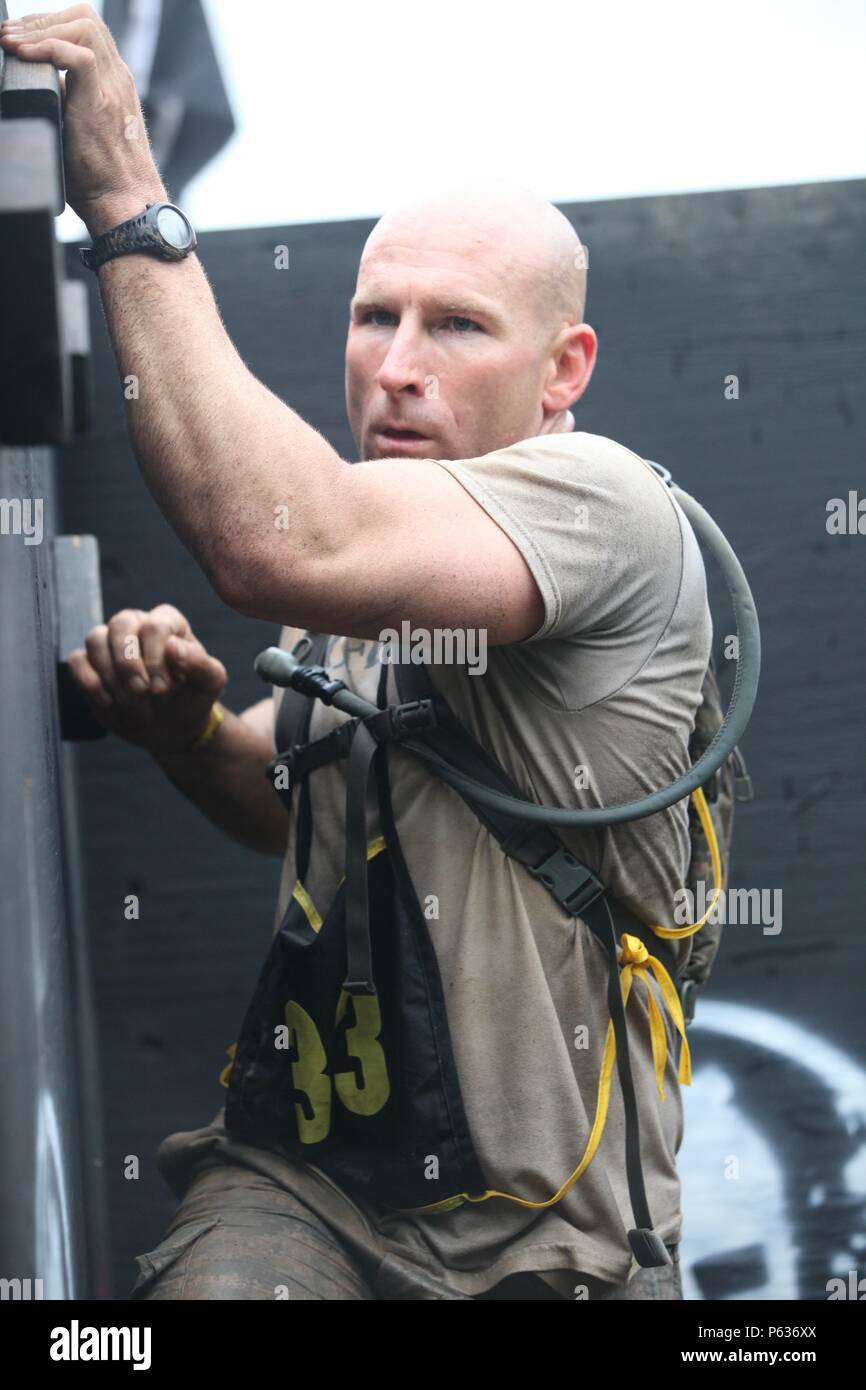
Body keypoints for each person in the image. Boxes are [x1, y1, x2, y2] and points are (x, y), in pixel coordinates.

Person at [4, 5, 707, 1300]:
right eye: (372, 315)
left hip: (551, 1244)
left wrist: (122, 190)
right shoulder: (364, 571)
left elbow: (275, 541)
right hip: (305, 1188)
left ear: (565, 369)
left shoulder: (605, 506)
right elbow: (284, 802)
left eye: (455, 327)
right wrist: (184, 731)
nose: (394, 367)